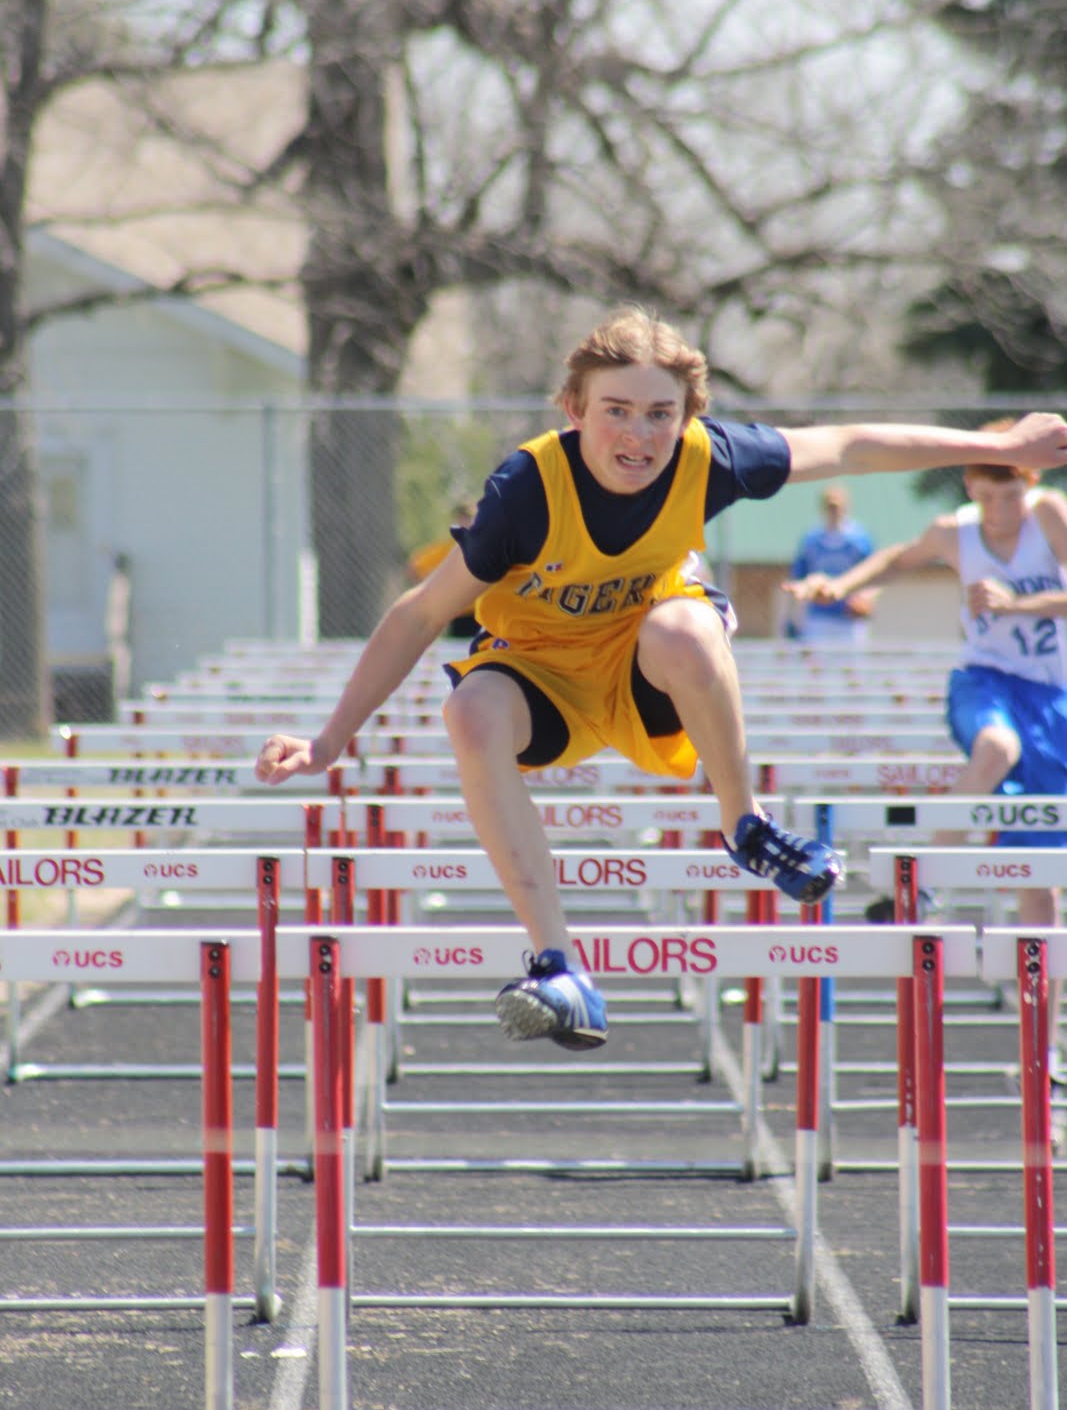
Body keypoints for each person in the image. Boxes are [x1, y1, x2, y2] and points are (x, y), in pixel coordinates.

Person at [255, 308, 1067, 1053]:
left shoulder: (708, 459)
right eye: (616, 411)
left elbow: (851, 444)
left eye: (658, 413)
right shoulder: (525, 492)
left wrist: (998, 450)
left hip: (649, 664)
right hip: (542, 674)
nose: (638, 435)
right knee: (468, 710)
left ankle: (744, 823)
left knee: (682, 624)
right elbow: (418, 614)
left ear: (686, 418)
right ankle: (557, 965)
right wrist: (330, 740)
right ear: (572, 409)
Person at [785, 416, 1067, 1077]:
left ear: (1029, 486)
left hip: (1052, 704)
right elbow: (897, 557)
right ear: (969, 486)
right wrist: (843, 584)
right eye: (985, 496)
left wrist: (1017, 605)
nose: (998, 512)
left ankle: (1043, 1049)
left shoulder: (1049, 518)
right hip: (984, 683)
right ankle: (928, 881)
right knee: (993, 749)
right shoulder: (954, 532)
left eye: (1009, 497)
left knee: (1041, 891)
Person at [783, 485, 877, 643]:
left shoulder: (859, 540)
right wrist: (793, 615)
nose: (834, 511)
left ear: (846, 507)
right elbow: (799, 578)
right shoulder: (812, 541)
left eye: (837, 506)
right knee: (817, 666)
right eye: (830, 506)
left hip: (849, 618)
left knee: (850, 667)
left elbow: (873, 574)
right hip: (819, 616)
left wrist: (866, 598)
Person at [407, 502, 479, 638]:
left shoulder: (485, 545)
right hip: (461, 612)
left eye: (469, 517)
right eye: (462, 518)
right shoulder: (448, 548)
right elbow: (415, 567)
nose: (465, 522)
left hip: (481, 610)